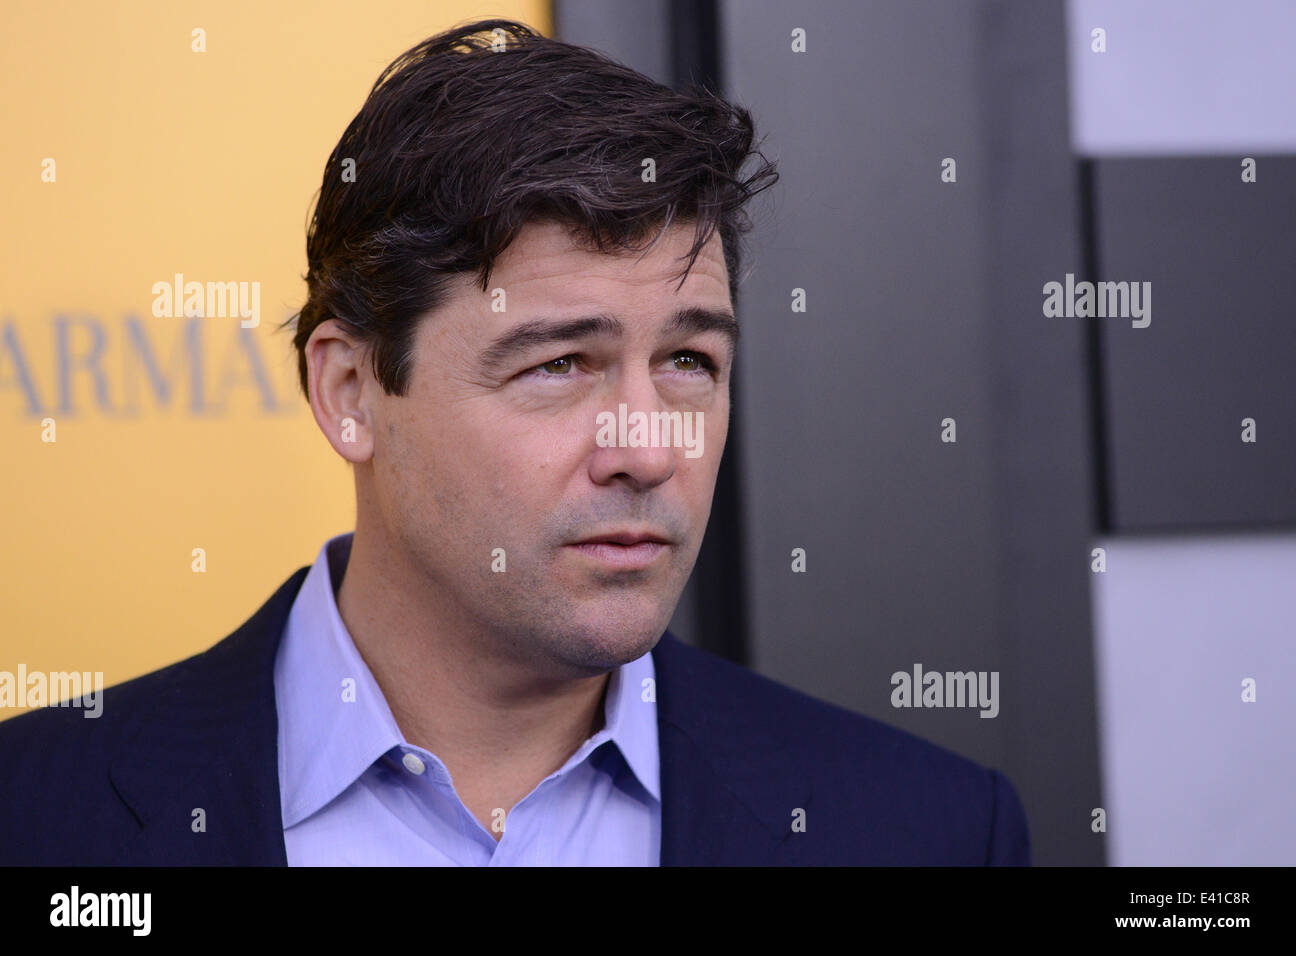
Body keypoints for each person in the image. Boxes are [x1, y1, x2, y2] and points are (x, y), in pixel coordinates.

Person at [0, 18, 1030, 866]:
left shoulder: (924, 830)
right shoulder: (39, 817)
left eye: (689, 362)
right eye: (558, 365)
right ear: (350, 388)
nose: (647, 449)